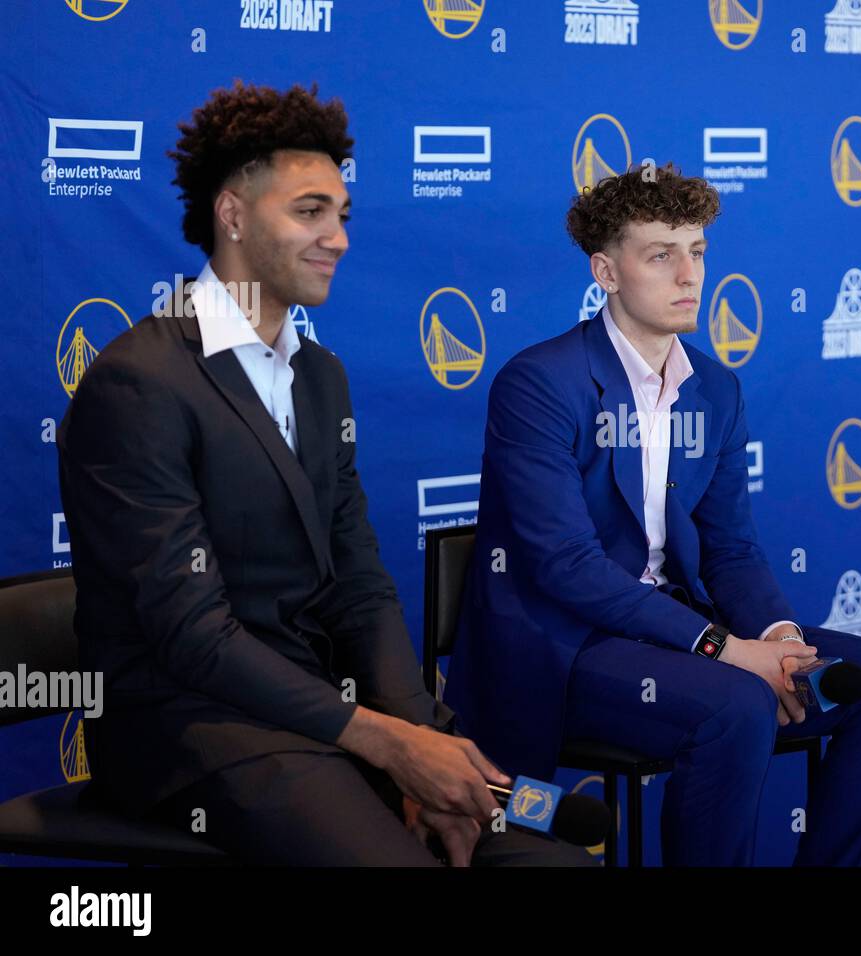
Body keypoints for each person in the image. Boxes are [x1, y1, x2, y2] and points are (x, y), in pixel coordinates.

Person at [57, 81, 591, 866]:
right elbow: (190, 638)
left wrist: (419, 738)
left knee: (548, 859)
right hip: (192, 728)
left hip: (327, 715)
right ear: (231, 214)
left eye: (342, 214)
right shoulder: (138, 383)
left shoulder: (320, 376)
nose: (337, 237)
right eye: (309, 211)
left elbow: (359, 580)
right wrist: (388, 744)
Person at [447, 163, 861, 866]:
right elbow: (566, 567)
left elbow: (731, 549)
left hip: (675, 633)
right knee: (738, 702)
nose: (688, 275)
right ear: (606, 272)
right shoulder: (538, 383)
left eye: (697, 252)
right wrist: (726, 651)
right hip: (563, 648)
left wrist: (780, 638)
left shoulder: (716, 388)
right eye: (660, 255)